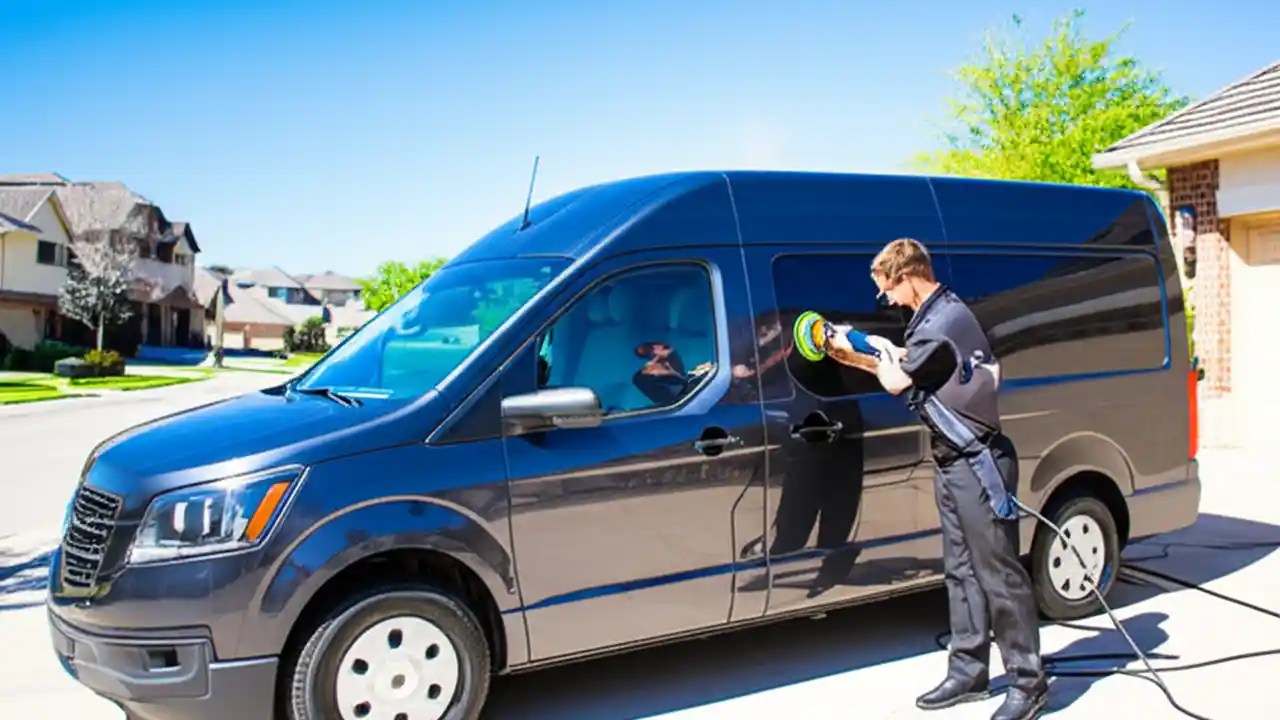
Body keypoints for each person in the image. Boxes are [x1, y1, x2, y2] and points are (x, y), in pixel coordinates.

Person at [826, 238, 1048, 720]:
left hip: (979, 463)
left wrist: (852, 355)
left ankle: (1029, 684)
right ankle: (969, 671)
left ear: (907, 276)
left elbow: (898, 379)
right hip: (952, 463)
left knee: (999, 574)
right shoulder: (932, 316)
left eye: (887, 289)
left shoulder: (943, 321)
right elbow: (911, 361)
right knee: (961, 569)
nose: (886, 299)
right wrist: (861, 349)